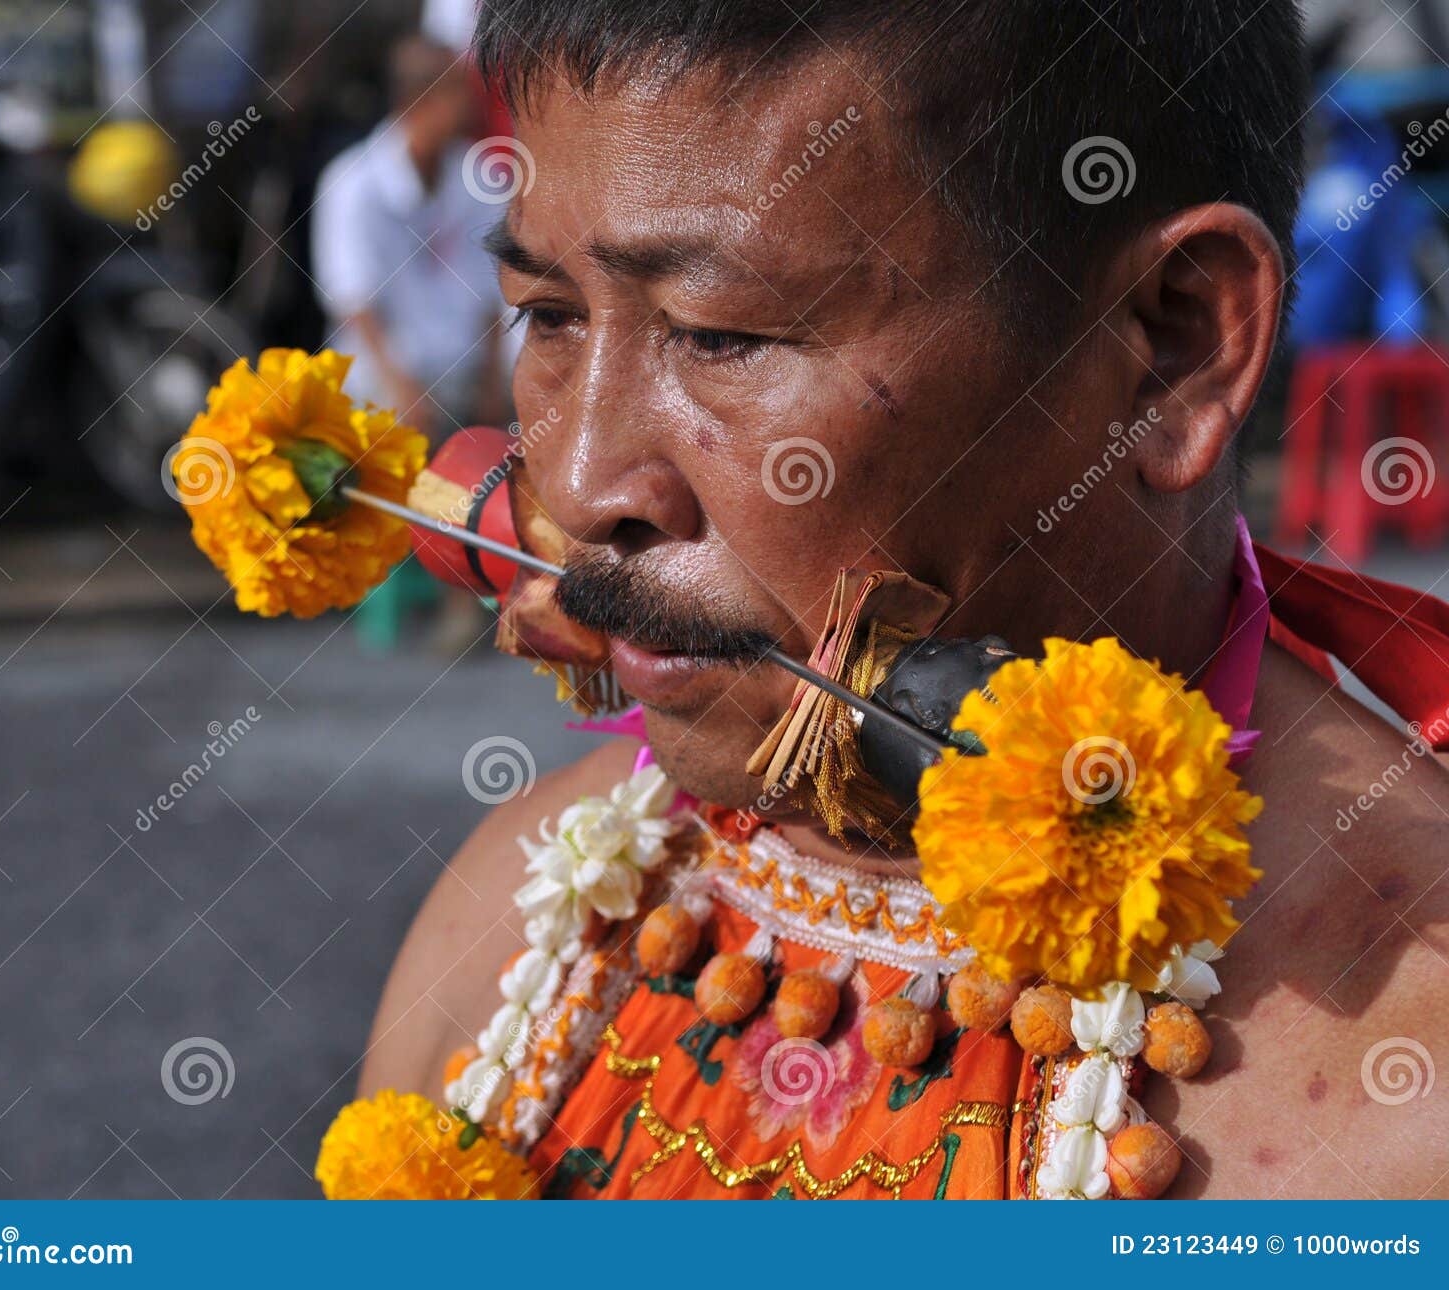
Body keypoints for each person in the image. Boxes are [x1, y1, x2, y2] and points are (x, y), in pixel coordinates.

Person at [358, 1, 1449, 1199]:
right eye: (548, 316)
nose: (576, 480)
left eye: (720, 335)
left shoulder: (1395, 1097)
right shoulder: (508, 927)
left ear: (1172, 344)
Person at [311, 34, 507, 442]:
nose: (471, 105)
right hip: (379, 392)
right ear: (420, 101)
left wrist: (492, 379)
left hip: (462, 384)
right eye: (458, 92)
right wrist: (401, 389)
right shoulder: (351, 182)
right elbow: (353, 301)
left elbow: (492, 286)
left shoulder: (477, 179)